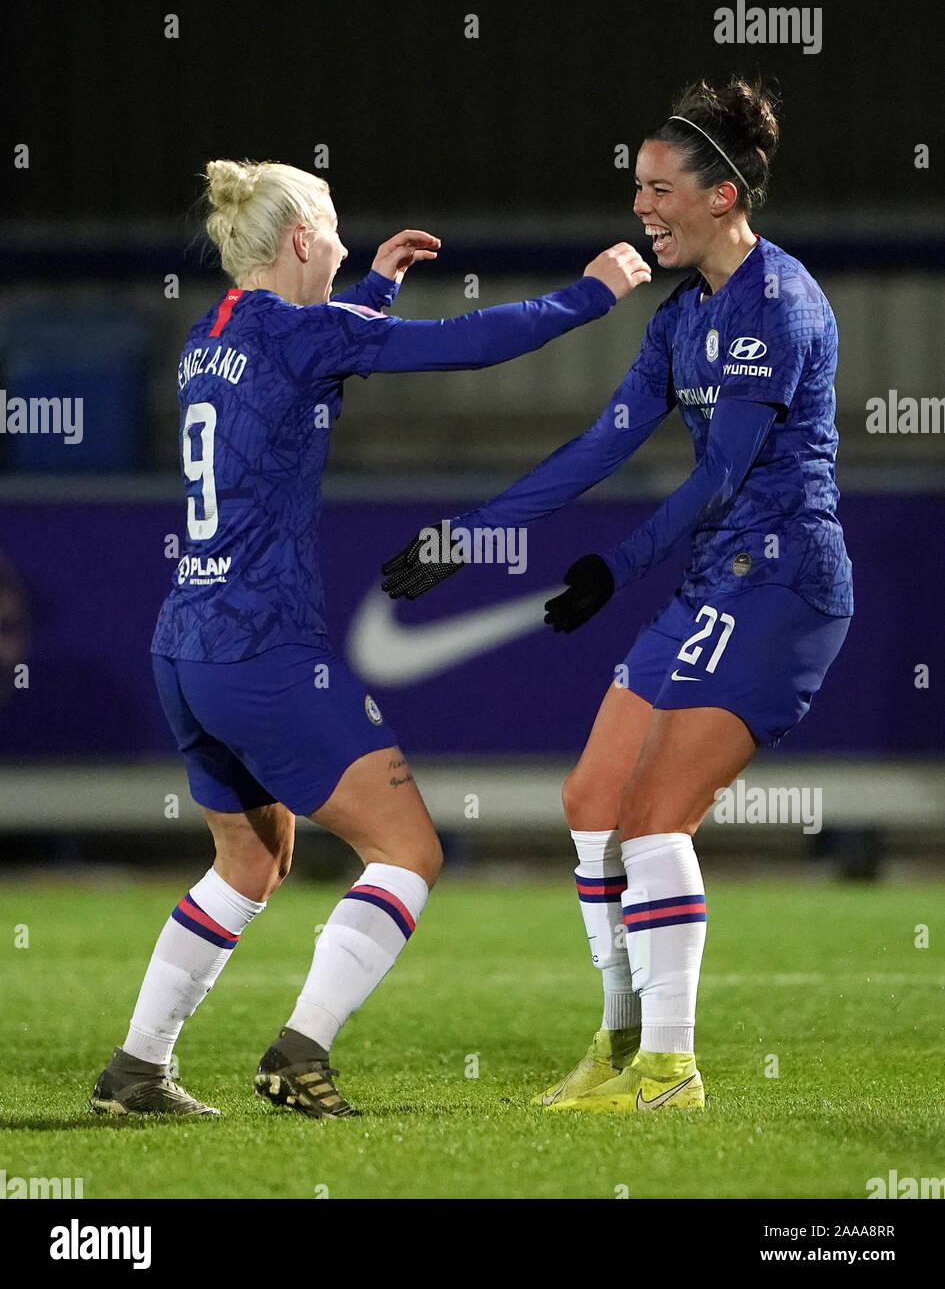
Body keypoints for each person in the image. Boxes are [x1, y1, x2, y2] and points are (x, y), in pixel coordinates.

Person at [90, 157, 651, 1119]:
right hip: (261, 645)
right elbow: (470, 343)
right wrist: (590, 295)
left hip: (182, 641)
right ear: (302, 240)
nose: (347, 245)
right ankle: (299, 1053)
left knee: (250, 861)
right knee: (407, 851)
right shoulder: (309, 334)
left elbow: (312, 350)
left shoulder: (208, 332)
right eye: (337, 231)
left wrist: (375, 291)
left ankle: (138, 1069)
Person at [382, 78, 854, 1113]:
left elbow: (722, 476)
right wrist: (471, 536)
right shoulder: (681, 317)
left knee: (651, 816)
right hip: (711, 577)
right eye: (635, 187)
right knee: (592, 799)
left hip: (781, 578)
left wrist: (613, 568)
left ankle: (671, 1070)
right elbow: (600, 445)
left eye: (658, 188)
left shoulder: (776, 303)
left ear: (723, 195)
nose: (641, 207)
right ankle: (620, 1038)